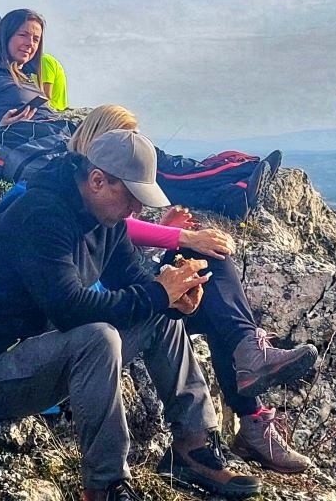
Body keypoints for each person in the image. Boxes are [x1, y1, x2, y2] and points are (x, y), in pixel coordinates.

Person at [0, 130, 260, 501]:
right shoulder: (41, 215)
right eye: (129, 195)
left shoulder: (105, 219)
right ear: (97, 180)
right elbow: (69, 309)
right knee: (98, 336)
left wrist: (175, 300)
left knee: (157, 313)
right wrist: (156, 293)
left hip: (43, 356)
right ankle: (104, 498)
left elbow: (133, 285)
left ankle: (194, 444)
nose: (135, 209)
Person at [66, 107, 313, 471]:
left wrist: (171, 260)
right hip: (101, 320)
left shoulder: (107, 195)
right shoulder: (76, 189)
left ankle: (251, 401)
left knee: (212, 297)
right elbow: (114, 247)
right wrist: (181, 237)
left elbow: (122, 246)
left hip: (118, 300)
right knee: (204, 269)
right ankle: (248, 413)